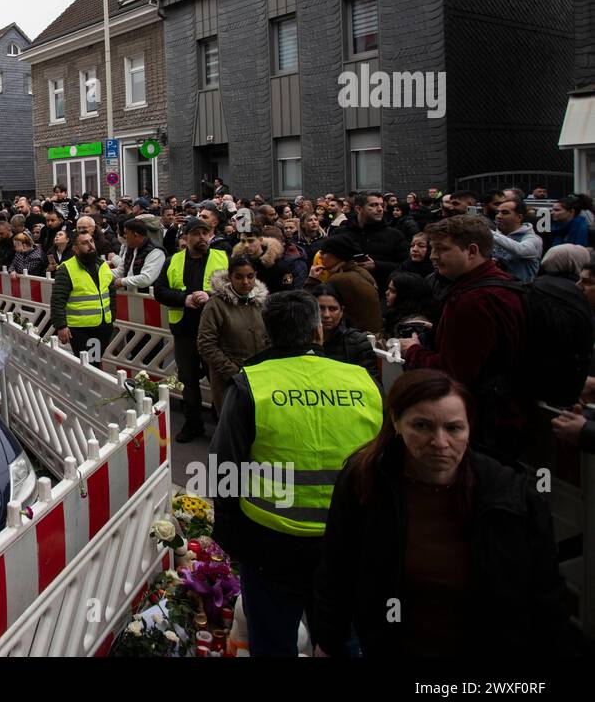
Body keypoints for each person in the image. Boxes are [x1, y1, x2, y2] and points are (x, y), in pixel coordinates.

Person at [314, 369, 566, 657]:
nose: (440, 442)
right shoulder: (365, 481)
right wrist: (328, 640)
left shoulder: (513, 495)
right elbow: (337, 569)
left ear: (469, 428)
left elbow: (546, 597)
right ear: (395, 422)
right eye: (422, 426)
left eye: (454, 428)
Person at [210, 290, 383, 657]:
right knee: (342, 638)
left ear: (267, 332)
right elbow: (384, 459)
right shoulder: (362, 381)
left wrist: (228, 529)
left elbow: (224, 463)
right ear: (317, 331)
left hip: (271, 540)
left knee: (273, 641)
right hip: (345, 537)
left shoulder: (252, 383)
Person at [397, 215, 524, 463]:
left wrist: (413, 350)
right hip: (504, 415)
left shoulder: (473, 300)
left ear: (472, 251)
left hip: (483, 422)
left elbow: (454, 372)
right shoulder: (503, 285)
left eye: (442, 249)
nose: (433, 256)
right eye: (433, 248)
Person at [158, 217, 229, 443]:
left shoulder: (223, 258)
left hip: (214, 331)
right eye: (196, 234)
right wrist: (184, 298)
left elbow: (235, 288)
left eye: (205, 233)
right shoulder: (173, 261)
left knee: (217, 378)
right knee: (187, 379)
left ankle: (223, 425)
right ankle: (193, 423)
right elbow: (159, 290)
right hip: (185, 329)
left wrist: (211, 294)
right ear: (186, 238)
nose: (202, 238)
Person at [197, 256, 269, 417]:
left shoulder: (261, 302)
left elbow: (268, 336)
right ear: (230, 277)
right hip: (229, 379)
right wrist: (233, 372)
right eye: (239, 277)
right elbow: (206, 344)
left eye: (250, 276)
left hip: (260, 375)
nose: (245, 282)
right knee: (233, 425)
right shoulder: (216, 305)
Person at [50, 230, 114, 361]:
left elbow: (111, 292)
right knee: (90, 365)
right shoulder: (66, 268)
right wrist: (61, 326)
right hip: (81, 328)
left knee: (94, 362)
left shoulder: (102, 265)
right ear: (75, 248)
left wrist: (113, 315)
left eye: (91, 241)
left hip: (103, 325)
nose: (90, 245)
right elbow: (57, 299)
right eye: (84, 243)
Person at [331, 191, 407, 294]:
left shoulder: (394, 235)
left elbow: (405, 266)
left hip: (382, 294)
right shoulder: (340, 234)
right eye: (373, 205)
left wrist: (377, 265)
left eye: (381, 205)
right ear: (358, 209)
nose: (380, 209)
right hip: (345, 294)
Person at [305, 235, 381, 335]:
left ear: (336, 256)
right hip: (371, 336)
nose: (320, 257)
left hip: (354, 340)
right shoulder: (361, 271)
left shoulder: (339, 279)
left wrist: (312, 280)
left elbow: (308, 306)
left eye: (324, 253)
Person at [311, 284, 380, 384]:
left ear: (342, 311)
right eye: (320, 308)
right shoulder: (301, 341)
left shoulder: (358, 342)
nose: (326, 315)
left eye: (333, 309)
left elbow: (372, 384)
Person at [491, 198, 542, 282]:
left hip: (521, 290)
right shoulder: (498, 235)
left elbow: (522, 250)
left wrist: (489, 233)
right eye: (497, 212)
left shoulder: (532, 238)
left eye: (505, 212)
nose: (498, 216)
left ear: (519, 217)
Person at [111, 218, 165, 292]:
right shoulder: (130, 248)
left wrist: (122, 281)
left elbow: (146, 279)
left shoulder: (155, 252)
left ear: (135, 235)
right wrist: (102, 273)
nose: (124, 236)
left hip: (150, 300)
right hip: (131, 297)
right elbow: (120, 271)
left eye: (126, 233)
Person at [381, 271, 437, 341]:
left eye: (393, 291)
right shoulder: (398, 316)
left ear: (405, 297)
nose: (386, 293)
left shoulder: (414, 327)